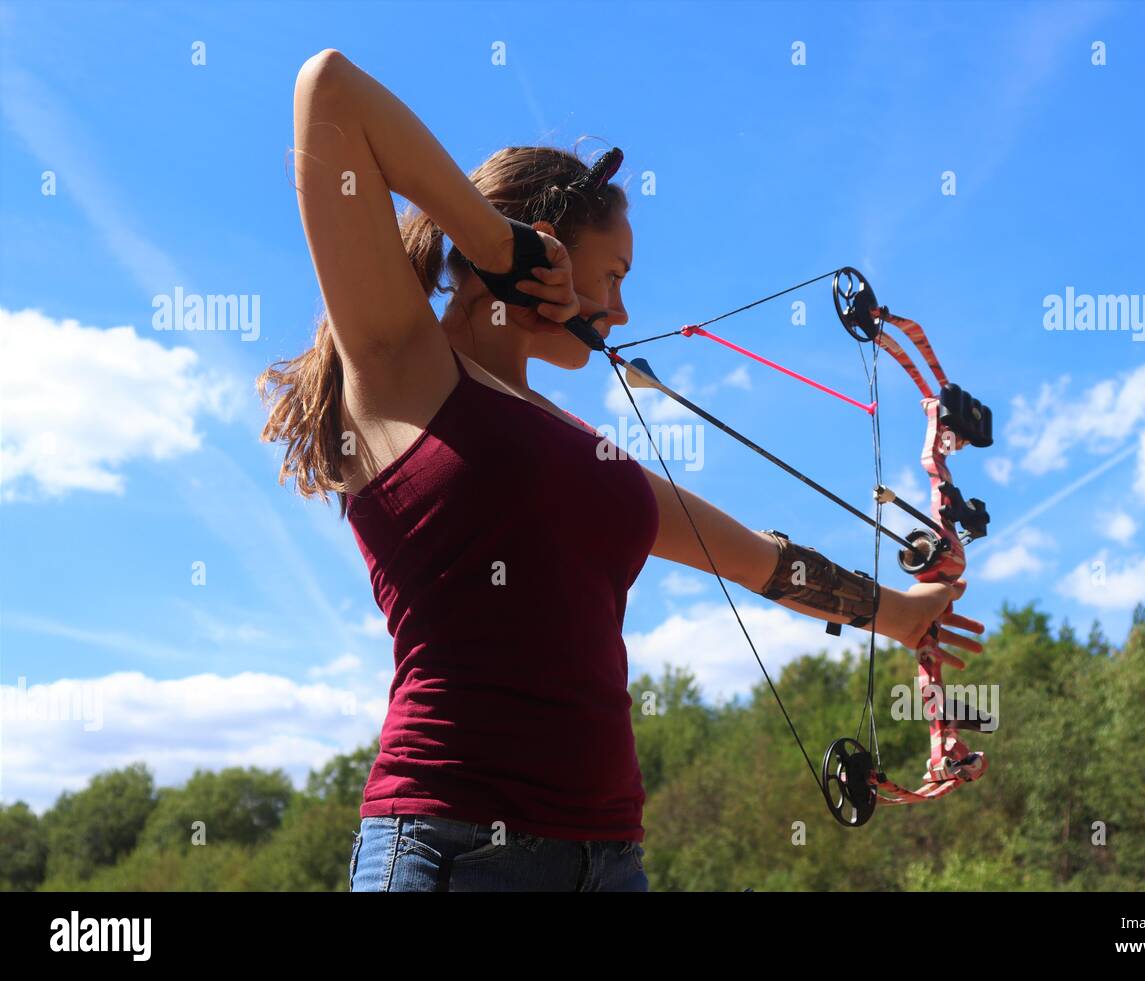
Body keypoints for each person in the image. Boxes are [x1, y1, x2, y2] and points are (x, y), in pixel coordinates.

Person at [258, 49, 984, 892]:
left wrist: (902, 615)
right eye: (612, 275)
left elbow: (759, 560)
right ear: (544, 253)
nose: (623, 308)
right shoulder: (404, 367)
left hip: (609, 857)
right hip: (451, 843)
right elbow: (328, 90)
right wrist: (492, 241)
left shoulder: (582, 449)